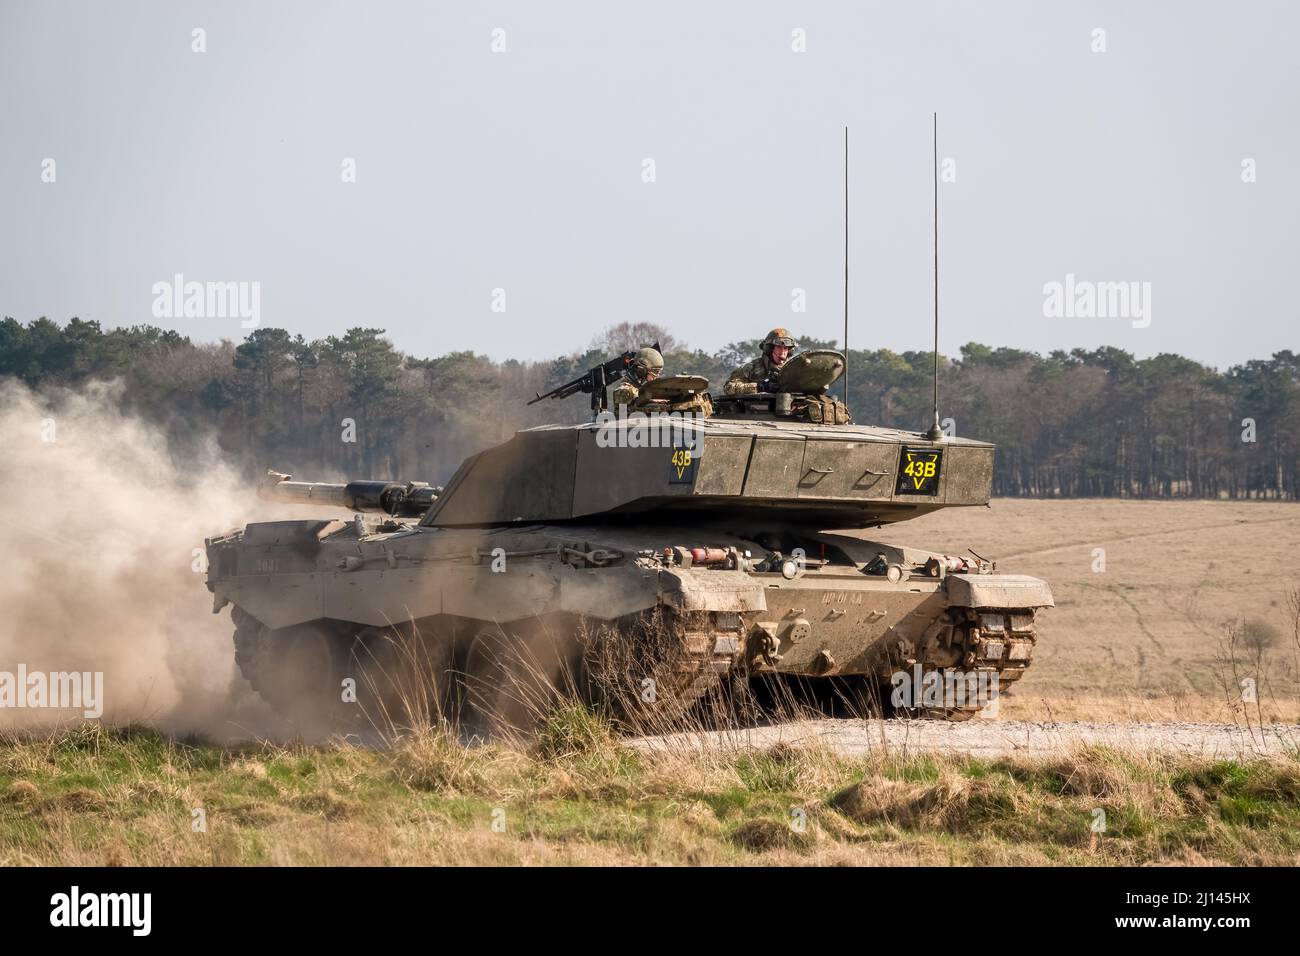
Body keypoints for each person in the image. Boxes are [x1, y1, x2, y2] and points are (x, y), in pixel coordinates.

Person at [723, 328, 797, 395]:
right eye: (778, 347)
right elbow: (729, 387)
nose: (782, 352)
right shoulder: (751, 368)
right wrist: (760, 387)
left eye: (785, 348)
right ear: (769, 349)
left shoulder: (793, 370)